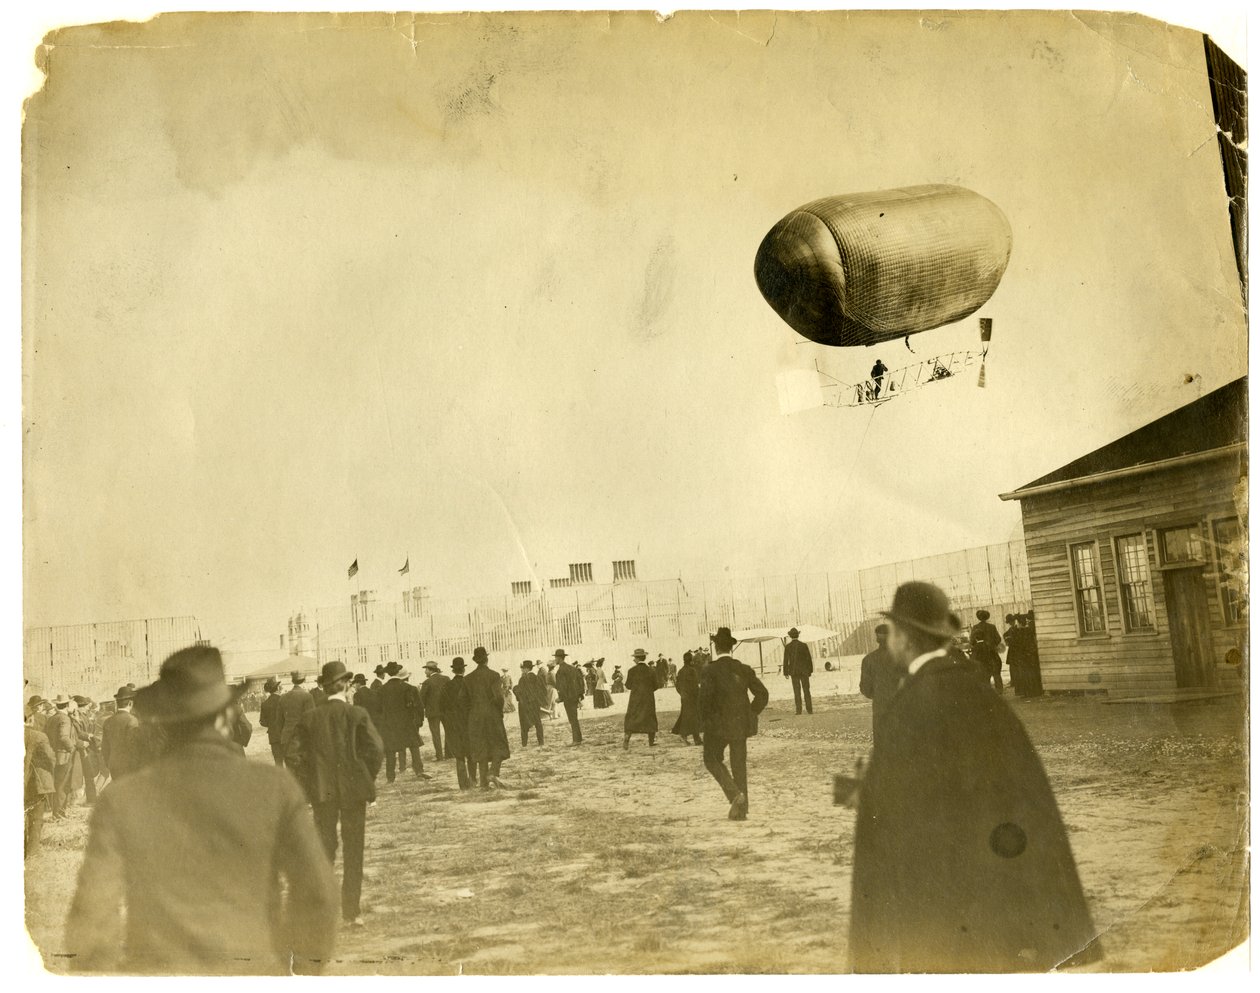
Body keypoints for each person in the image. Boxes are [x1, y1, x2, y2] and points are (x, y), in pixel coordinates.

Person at [849, 582, 1101, 973]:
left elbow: (896, 821)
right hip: (995, 904)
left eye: (894, 631)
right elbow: (1022, 799)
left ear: (905, 637)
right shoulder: (977, 693)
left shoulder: (912, 705)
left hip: (940, 912)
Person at [64, 645, 338, 974]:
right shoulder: (274, 787)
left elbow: (90, 918)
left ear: (164, 719)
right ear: (224, 715)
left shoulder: (121, 799)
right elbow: (318, 895)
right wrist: (305, 970)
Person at [287, 660, 384, 929]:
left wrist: (309, 783)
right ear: (346, 685)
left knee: (324, 849)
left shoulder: (310, 718)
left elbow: (292, 755)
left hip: (323, 794)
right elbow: (375, 751)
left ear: (325, 686)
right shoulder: (357, 714)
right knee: (354, 851)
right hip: (354, 792)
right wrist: (365, 778)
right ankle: (351, 913)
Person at [698, 627, 769, 820]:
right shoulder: (743, 669)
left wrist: (707, 723)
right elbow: (763, 695)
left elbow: (704, 702)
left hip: (717, 726)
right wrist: (750, 713)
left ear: (716, 646)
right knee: (739, 766)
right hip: (740, 725)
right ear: (731, 647)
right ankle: (742, 811)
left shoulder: (709, 670)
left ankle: (734, 795)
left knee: (711, 759)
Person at [465, 647, 511, 788]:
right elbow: (498, 697)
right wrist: (499, 712)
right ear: (487, 659)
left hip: (475, 717)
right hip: (492, 715)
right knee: (499, 744)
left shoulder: (468, 678)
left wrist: (471, 714)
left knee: (481, 748)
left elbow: (464, 700)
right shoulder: (494, 675)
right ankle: (493, 771)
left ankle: (484, 784)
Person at [378, 664, 426, 782]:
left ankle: (390, 777)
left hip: (390, 725)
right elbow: (419, 707)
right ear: (398, 672)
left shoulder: (381, 690)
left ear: (388, 673)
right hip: (407, 724)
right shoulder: (409, 688)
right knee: (414, 747)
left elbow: (378, 710)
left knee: (390, 751)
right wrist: (418, 722)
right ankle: (419, 771)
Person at [858, 624, 900, 751]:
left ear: (877, 639)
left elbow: (865, 688)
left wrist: (878, 694)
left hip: (880, 705)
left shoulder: (868, 660)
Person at [25, 699, 56, 858]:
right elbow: (50, 758)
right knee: (36, 816)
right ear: (30, 718)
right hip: (36, 782)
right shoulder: (38, 736)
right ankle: (32, 851)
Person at [441, 658, 473, 789]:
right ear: (464, 669)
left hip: (454, 724)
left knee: (459, 755)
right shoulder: (469, 683)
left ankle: (463, 785)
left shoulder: (447, 686)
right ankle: (473, 781)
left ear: (453, 670)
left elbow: (442, 707)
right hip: (468, 722)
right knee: (471, 753)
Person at [100, 684, 141, 783]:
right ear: (130, 703)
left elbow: (104, 748)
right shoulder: (132, 720)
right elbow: (134, 747)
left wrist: (109, 763)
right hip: (129, 767)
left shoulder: (108, 721)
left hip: (113, 765)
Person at [46, 694, 77, 819]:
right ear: (67, 705)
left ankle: (57, 812)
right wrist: (72, 748)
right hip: (64, 755)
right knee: (62, 784)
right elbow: (63, 737)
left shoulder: (52, 718)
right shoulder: (64, 719)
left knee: (57, 783)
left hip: (54, 754)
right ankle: (59, 813)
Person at [277, 671, 316, 770]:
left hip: (286, 737)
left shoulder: (283, 697)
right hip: (301, 739)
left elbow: (279, 722)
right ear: (304, 680)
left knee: (290, 771)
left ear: (292, 680)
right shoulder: (307, 696)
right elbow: (311, 720)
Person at [623, 648, 659, 749]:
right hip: (648, 699)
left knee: (632, 717)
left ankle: (627, 739)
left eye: (634, 657)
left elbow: (628, 686)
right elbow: (656, 686)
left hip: (635, 699)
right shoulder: (651, 670)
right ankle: (651, 741)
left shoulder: (631, 671)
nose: (634, 659)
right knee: (650, 718)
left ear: (638, 659)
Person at [418, 661, 451, 760]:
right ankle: (449, 754)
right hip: (446, 710)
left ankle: (439, 756)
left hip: (432, 712)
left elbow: (421, 699)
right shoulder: (446, 679)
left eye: (426, 669)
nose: (425, 672)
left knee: (436, 734)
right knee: (448, 731)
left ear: (430, 670)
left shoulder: (427, 682)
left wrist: (422, 710)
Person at [553, 649, 585, 745]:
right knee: (574, 718)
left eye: (555, 657)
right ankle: (578, 738)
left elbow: (562, 686)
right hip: (574, 696)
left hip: (568, 698)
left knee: (572, 719)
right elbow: (580, 682)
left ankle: (576, 740)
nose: (555, 659)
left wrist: (560, 698)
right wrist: (580, 695)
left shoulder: (561, 670)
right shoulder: (572, 668)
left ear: (559, 658)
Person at [671, 651, 704, 746]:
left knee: (688, 716)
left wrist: (682, 694)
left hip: (684, 698)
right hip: (693, 698)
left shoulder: (681, 671)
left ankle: (695, 738)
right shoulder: (692, 671)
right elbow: (695, 685)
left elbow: (677, 685)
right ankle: (686, 736)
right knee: (693, 717)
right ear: (691, 661)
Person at [969, 609, 1005, 693]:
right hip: (992, 652)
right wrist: (992, 645)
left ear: (978, 618)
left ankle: (987, 692)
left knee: (984, 673)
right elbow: (998, 639)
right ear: (987, 617)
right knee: (996, 672)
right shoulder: (992, 627)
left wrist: (977, 645)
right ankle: (999, 690)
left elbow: (972, 641)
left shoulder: (975, 627)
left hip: (980, 654)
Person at [513, 661, 547, 747]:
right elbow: (543, 690)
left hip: (525, 705)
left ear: (526, 669)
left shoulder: (523, 679)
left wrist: (515, 689)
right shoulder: (537, 677)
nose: (522, 670)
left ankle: (524, 743)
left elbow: (520, 692)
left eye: (523, 668)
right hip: (535, 704)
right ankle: (541, 742)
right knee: (538, 722)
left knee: (524, 724)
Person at [783, 627, 814, 715]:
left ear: (790, 636)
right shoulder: (803, 645)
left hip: (794, 672)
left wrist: (786, 672)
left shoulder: (788, 647)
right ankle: (809, 710)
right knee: (806, 690)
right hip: (804, 672)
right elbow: (808, 659)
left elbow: (785, 660)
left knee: (796, 691)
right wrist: (810, 670)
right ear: (798, 635)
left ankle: (798, 710)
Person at [257, 678, 285, 765]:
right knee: (289, 761)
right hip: (286, 734)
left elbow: (262, 722)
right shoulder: (284, 700)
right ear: (277, 688)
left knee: (278, 762)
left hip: (273, 736)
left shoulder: (265, 704)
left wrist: (271, 724)